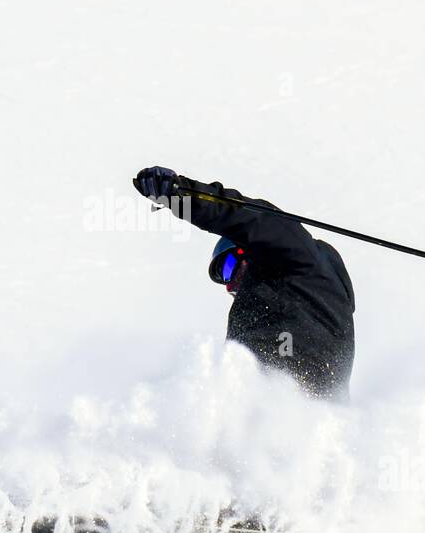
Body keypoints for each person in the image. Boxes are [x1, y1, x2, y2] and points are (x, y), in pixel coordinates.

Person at [133, 166, 355, 401]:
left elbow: (249, 218)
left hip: (295, 379)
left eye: (229, 266)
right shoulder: (266, 302)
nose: (230, 285)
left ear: (252, 247)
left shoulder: (299, 259)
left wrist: (180, 195)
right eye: (225, 278)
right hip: (289, 404)